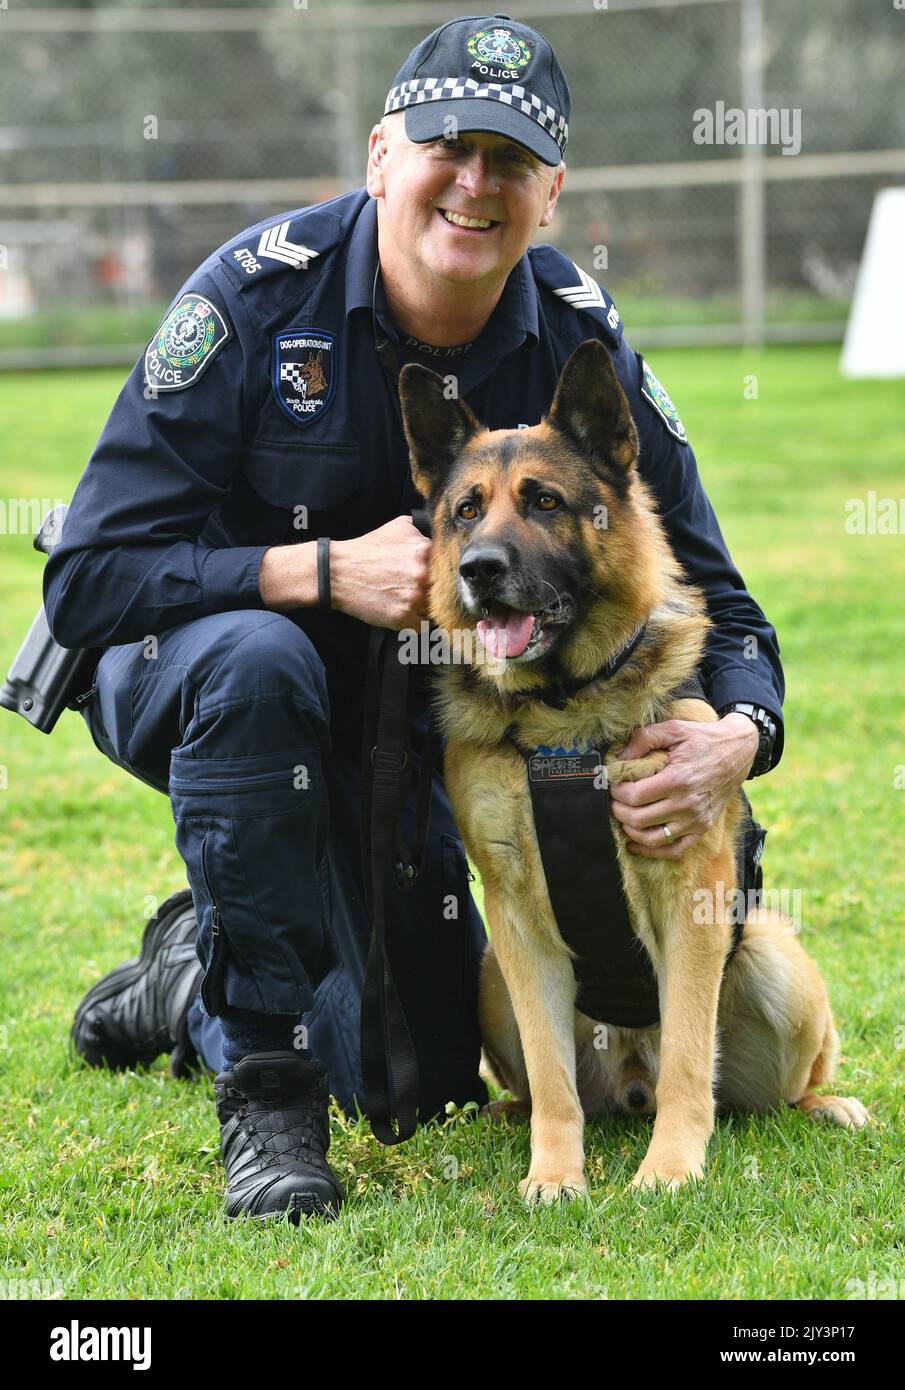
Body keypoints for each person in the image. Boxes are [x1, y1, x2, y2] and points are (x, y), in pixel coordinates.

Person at [44, 12, 783, 1224]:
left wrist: (734, 737)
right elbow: (86, 580)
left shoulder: (576, 336)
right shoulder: (249, 297)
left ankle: (191, 964)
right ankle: (267, 1093)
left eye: (508, 159)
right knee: (260, 659)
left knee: (418, 1076)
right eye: (447, 145)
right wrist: (318, 572)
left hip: (413, 737)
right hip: (205, 679)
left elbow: (717, 596)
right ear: (382, 151)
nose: (473, 182)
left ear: (551, 192)